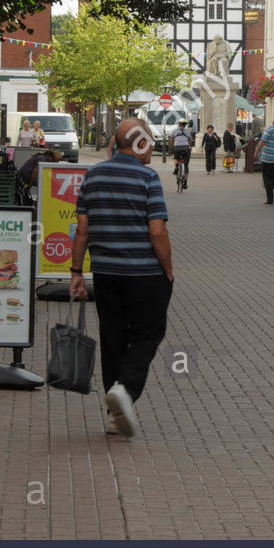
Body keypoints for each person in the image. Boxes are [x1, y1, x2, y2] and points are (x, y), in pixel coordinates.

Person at [70, 119, 173, 439]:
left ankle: (115, 415)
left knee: (113, 339)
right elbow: (157, 230)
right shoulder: (147, 178)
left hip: (106, 274)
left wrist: (76, 272)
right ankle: (125, 390)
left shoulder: (92, 175)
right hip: (144, 274)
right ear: (140, 143)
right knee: (148, 333)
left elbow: (82, 230)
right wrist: (167, 268)